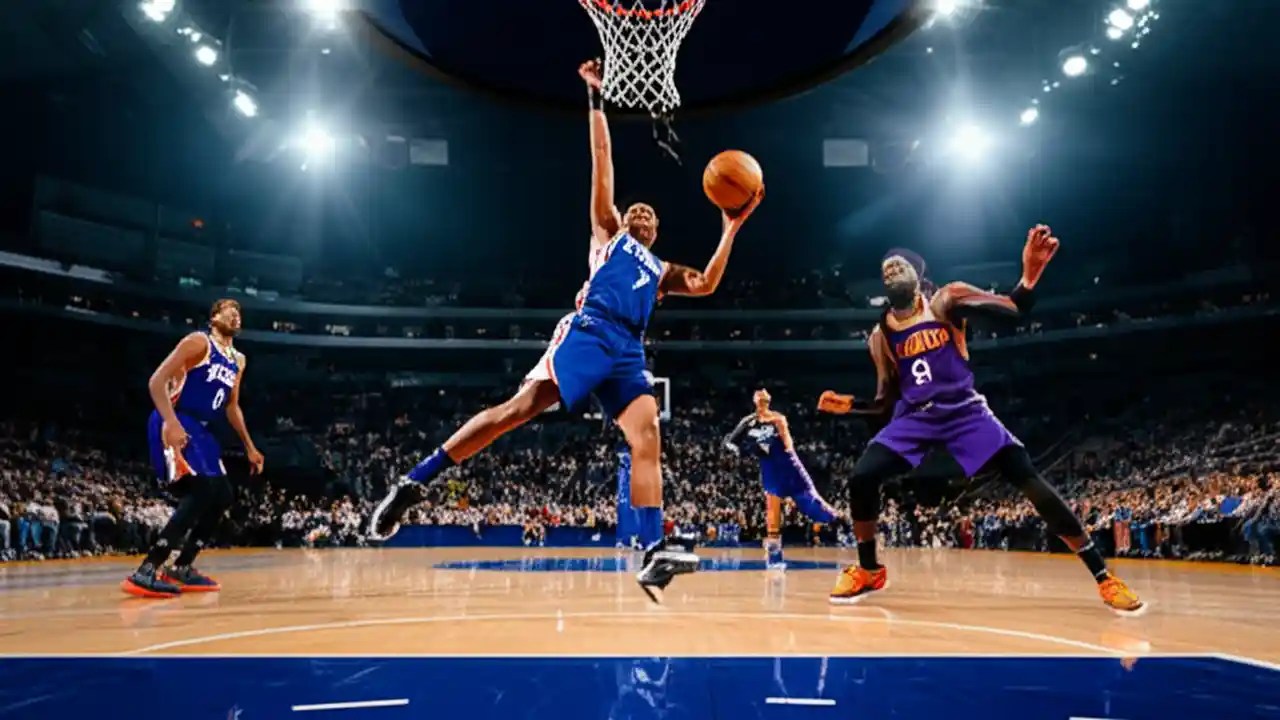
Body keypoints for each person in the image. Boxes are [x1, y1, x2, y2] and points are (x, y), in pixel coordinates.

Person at [367, 59, 763, 602]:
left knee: (647, 435)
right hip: (590, 331)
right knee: (517, 411)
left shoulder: (662, 272)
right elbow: (602, 160)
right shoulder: (607, 234)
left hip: (627, 349)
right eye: (636, 209)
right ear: (625, 221)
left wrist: (732, 226)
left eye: (651, 214)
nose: (642, 212)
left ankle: (652, 549)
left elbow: (710, 282)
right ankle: (414, 483)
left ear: (657, 231)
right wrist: (595, 99)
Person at [817, 226, 1145, 615]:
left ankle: (1104, 576)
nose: (889, 270)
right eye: (884, 268)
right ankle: (870, 570)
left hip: (962, 409)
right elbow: (885, 401)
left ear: (919, 275)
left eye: (897, 265)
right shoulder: (881, 335)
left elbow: (1012, 310)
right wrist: (850, 406)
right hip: (916, 416)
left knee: (1026, 476)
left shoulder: (946, 300)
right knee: (862, 477)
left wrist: (1030, 275)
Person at [122, 299, 264, 598]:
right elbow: (156, 381)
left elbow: (232, 406)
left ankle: (183, 566)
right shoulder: (198, 342)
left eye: (239, 314)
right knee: (202, 490)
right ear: (214, 318)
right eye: (230, 312)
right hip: (177, 418)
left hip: (203, 430)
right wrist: (171, 423)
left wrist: (250, 446)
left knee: (223, 495)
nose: (236, 317)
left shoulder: (238, 360)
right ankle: (147, 569)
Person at [723, 389, 844, 570]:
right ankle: (774, 557)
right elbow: (731, 443)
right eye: (758, 394)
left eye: (764, 394)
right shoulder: (747, 423)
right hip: (769, 467)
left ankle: (843, 523)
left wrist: (770, 445)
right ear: (755, 400)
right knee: (772, 509)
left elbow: (788, 445)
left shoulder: (778, 419)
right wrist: (746, 449)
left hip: (787, 462)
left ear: (768, 400)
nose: (761, 394)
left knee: (812, 503)